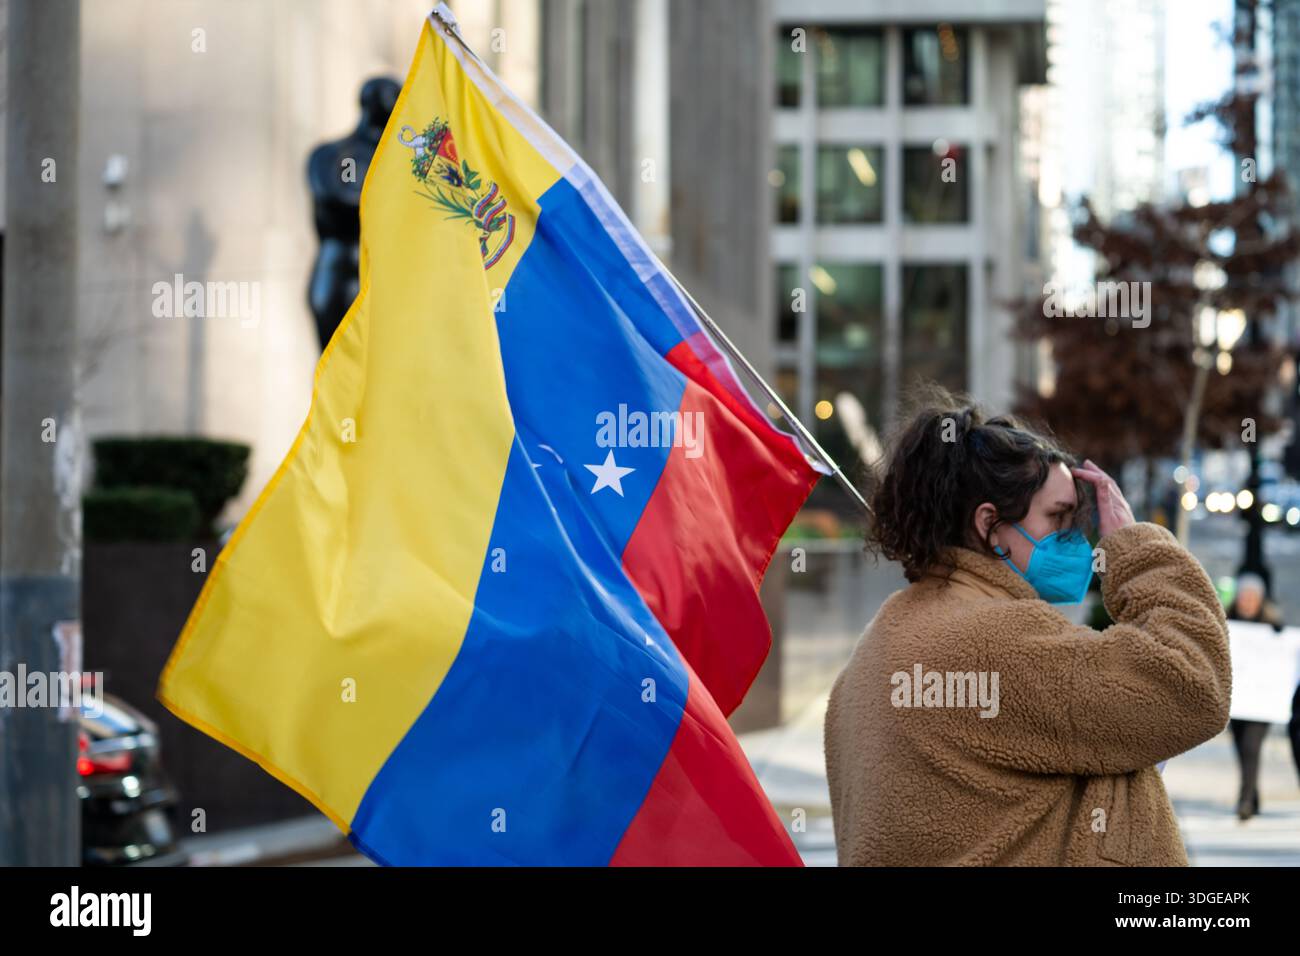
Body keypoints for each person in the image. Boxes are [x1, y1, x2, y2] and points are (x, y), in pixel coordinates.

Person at [823, 389, 1232, 865]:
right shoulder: (1001, 642)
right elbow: (1194, 684)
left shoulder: (872, 650)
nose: (1076, 540)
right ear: (990, 525)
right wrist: (1134, 545)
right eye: (1058, 518)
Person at [1225, 573, 1285, 821]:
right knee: (1242, 748)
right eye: (1243, 597)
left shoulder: (1273, 626)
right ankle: (1254, 795)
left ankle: (1245, 801)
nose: (1247, 603)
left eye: (1252, 598)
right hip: (1236, 702)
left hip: (1261, 703)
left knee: (1252, 747)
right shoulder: (1226, 622)